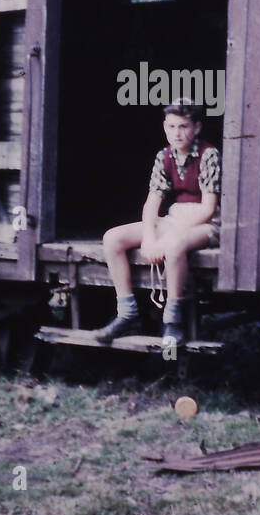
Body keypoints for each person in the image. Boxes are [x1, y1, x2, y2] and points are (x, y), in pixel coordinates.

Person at [92, 99, 222, 346]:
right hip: (174, 220)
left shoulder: (208, 155)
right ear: (165, 127)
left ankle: (172, 321)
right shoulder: (163, 156)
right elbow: (152, 204)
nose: (177, 133)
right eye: (172, 127)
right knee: (112, 238)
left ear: (196, 128)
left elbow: (208, 208)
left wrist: (168, 237)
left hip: (205, 225)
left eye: (183, 126)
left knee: (174, 246)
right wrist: (151, 239)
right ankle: (126, 313)